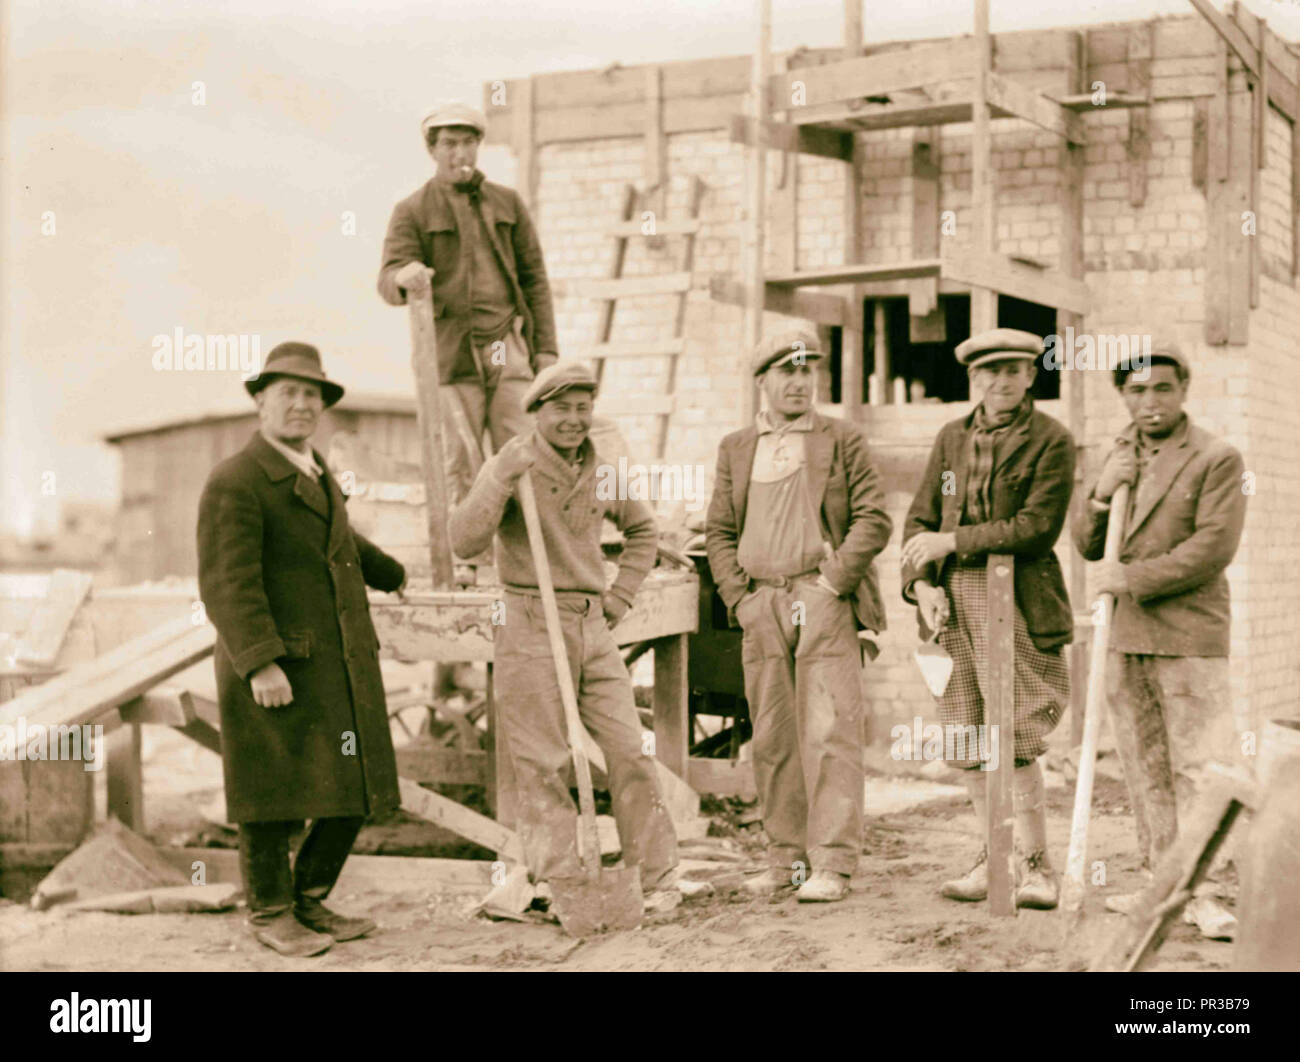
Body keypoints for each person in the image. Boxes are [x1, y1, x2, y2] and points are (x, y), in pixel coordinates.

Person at [447, 362, 683, 913]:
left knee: (629, 749)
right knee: (544, 761)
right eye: (563, 409)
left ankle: (657, 876)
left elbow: (644, 531)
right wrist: (500, 477)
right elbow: (463, 540)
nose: (575, 419)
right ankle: (561, 883)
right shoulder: (513, 463)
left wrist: (620, 595)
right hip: (527, 616)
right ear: (537, 412)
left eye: (583, 408)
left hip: (588, 621)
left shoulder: (602, 469)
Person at [197, 342, 406, 956]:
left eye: (312, 394)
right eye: (287, 392)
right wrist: (260, 660)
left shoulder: (314, 468)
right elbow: (226, 583)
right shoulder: (235, 480)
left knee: (354, 785)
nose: (301, 404)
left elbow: (339, 538)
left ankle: (309, 898)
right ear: (260, 401)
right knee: (271, 794)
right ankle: (270, 912)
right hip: (277, 664)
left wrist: (393, 572)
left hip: (334, 662)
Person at [705, 328, 892, 903]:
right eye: (786, 371)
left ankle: (832, 863)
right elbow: (718, 531)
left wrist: (832, 585)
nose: (798, 381)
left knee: (832, 733)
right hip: (762, 605)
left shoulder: (841, 439)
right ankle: (785, 860)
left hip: (823, 601)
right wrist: (741, 598)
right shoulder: (737, 447)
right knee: (773, 737)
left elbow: (874, 519)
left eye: (807, 370)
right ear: (762, 381)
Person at [1071, 340, 1247, 939]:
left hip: (1189, 635)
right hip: (1125, 637)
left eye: (1162, 389)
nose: (1149, 402)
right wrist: (1099, 494)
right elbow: (1088, 544)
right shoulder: (1113, 455)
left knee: (1199, 769)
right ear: (1123, 395)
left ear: (1184, 391)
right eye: (1137, 390)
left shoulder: (1217, 458)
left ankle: (1206, 892)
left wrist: (1132, 577)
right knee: (1143, 768)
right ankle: (1160, 883)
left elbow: (1213, 547)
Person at [900, 328, 1075, 910]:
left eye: (1013, 370)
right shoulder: (951, 438)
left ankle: (1036, 866)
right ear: (972, 379)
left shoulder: (1051, 439)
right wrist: (921, 585)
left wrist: (949, 540)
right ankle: (990, 853)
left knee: (1016, 734)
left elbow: (1035, 527)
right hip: (952, 602)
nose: (1000, 381)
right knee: (968, 732)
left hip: (1018, 598)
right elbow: (919, 520)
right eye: (988, 372)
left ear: (1032, 376)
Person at [378, 101, 558, 504]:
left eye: (468, 143)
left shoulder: (506, 203)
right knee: (458, 459)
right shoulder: (412, 211)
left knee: (524, 450)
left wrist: (545, 350)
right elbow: (387, 281)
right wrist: (404, 278)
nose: (459, 153)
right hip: (451, 355)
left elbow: (535, 281)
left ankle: (525, 555)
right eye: (449, 144)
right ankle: (467, 562)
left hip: (504, 347)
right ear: (433, 150)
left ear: (479, 145)